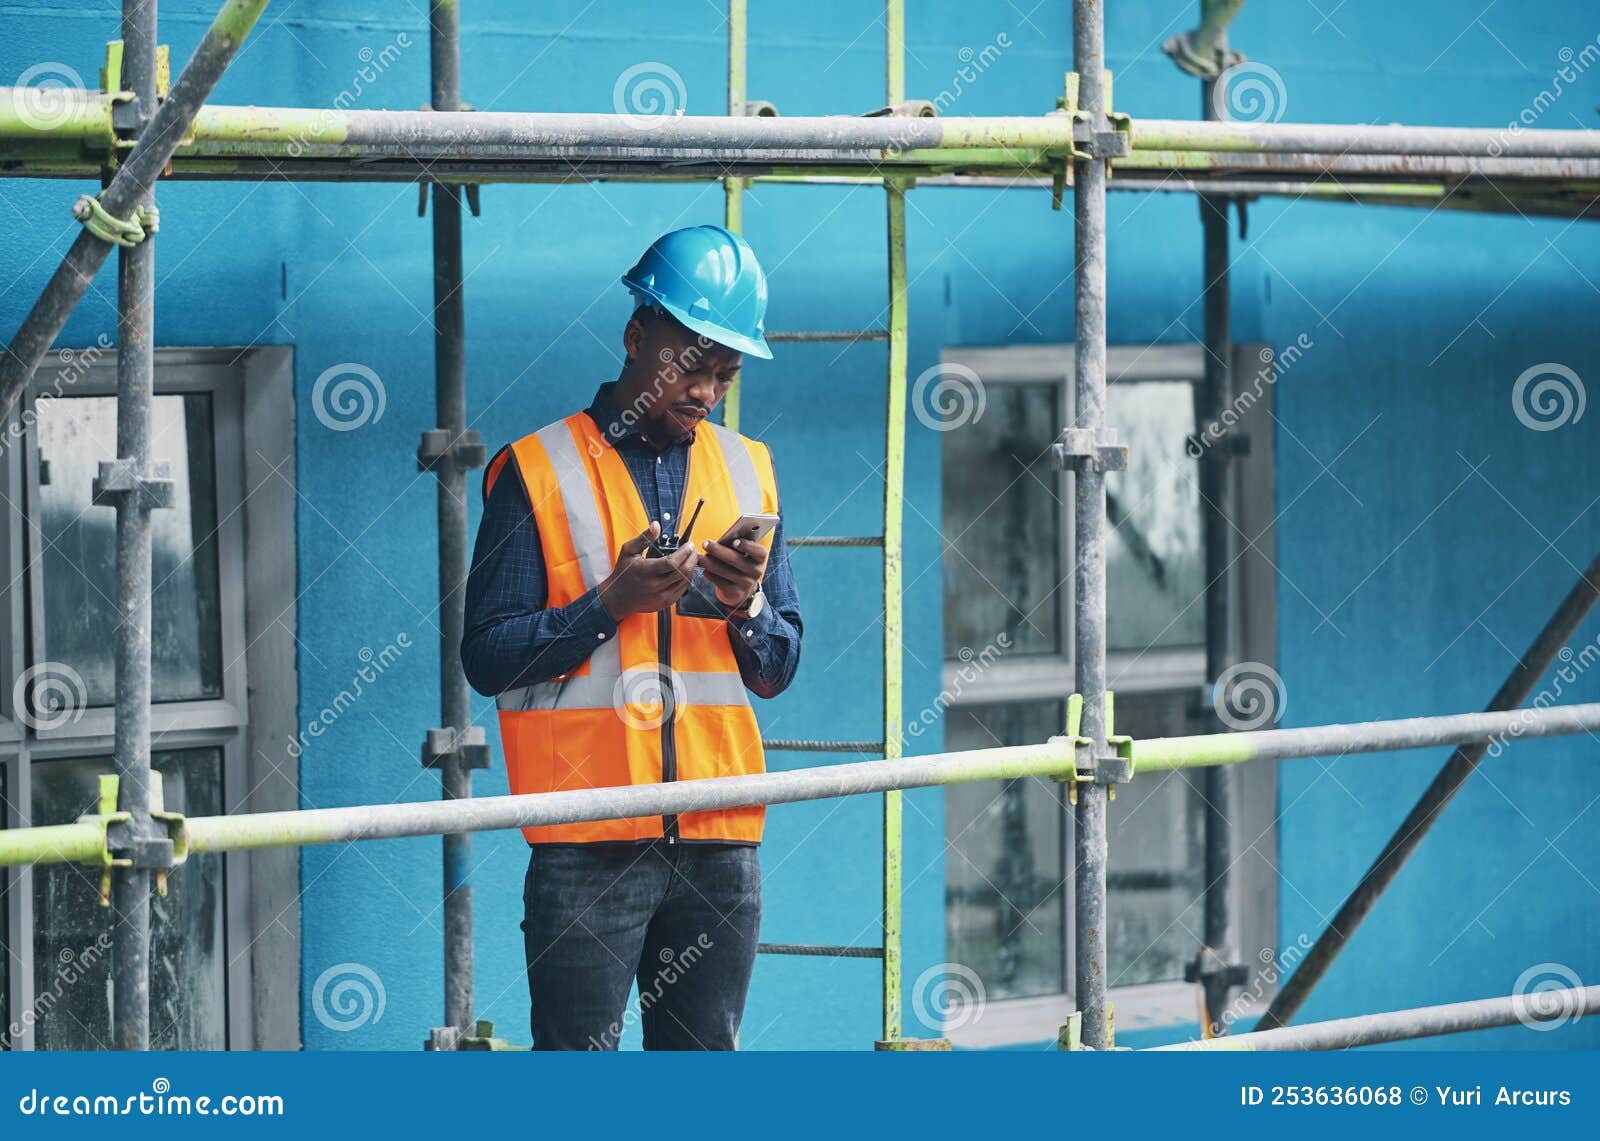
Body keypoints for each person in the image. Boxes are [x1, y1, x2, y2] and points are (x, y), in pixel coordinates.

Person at [461, 225, 802, 1050]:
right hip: (589, 838)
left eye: (725, 373)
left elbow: (778, 663)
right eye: (691, 363)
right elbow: (488, 657)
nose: (705, 391)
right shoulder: (534, 470)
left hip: (719, 835)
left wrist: (746, 606)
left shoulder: (750, 466)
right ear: (635, 337)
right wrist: (606, 604)